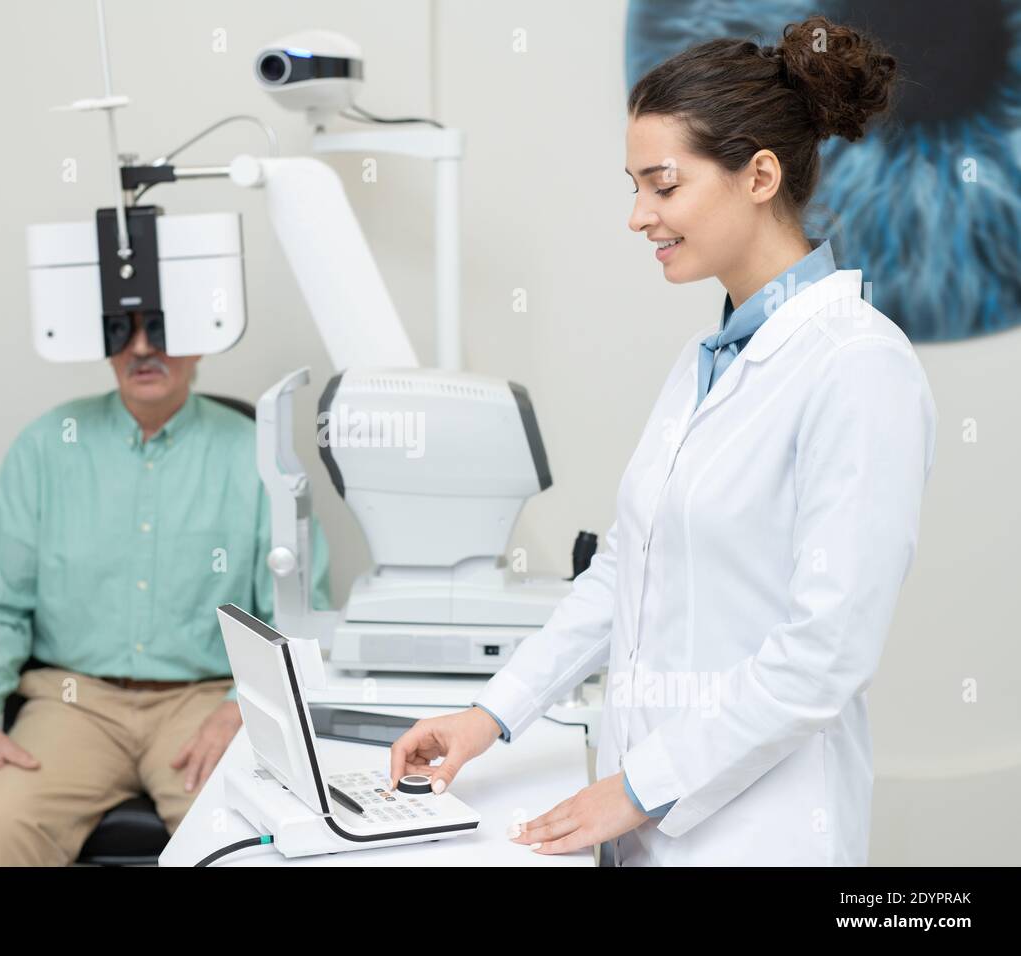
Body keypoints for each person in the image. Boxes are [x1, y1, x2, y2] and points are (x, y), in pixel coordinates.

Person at [390, 15, 935, 866]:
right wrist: (490, 715)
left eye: (663, 185)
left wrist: (638, 788)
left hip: (760, 833)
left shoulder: (859, 363)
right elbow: (624, 570)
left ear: (759, 175)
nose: (639, 215)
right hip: (643, 817)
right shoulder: (707, 357)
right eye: (634, 186)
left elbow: (824, 656)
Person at [0, 314, 329, 865]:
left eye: (161, 329)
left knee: (247, 835)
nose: (142, 348)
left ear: (202, 341)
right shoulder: (45, 448)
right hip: (74, 702)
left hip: (207, 702)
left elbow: (296, 615)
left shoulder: (258, 458)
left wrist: (237, 711)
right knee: (3, 820)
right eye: (121, 332)